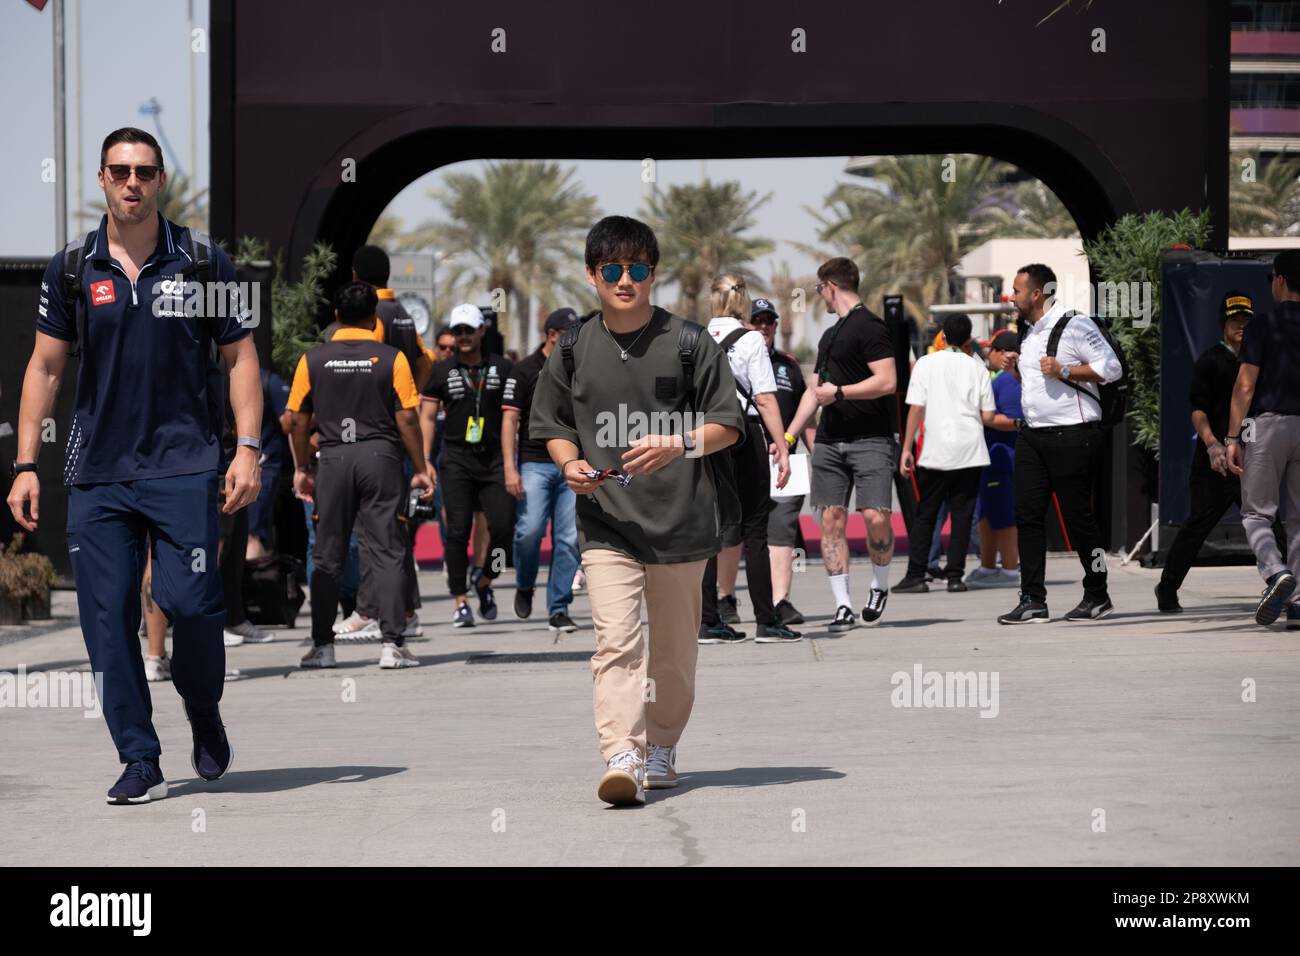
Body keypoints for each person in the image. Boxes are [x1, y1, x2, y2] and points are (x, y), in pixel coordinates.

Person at [8, 127, 257, 803]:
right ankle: (139, 757)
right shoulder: (72, 267)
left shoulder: (203, 262)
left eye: (144, 171)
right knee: (106, 618)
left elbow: (239, 358)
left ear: (161, 181)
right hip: (99, 473)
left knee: (192, 601)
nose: (131, 182)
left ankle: (202, 708)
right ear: (101, 179)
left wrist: (248, 448)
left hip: (185, 464)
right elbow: (45, 365)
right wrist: (27, 462)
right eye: (119, 171)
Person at [529, 215, 743, 806]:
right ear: (592, 275)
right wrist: (569, 462)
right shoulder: (571, 347)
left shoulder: (690, 342)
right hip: (607, 524)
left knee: (674, 653)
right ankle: (621, 752)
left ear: (653, 273)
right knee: (616, 641)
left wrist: (679, 442)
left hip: (680, 524)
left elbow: (729, 424)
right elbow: (551, 424)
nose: (627, 280)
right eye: (614, 270)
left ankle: (662, 746)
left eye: (639, 269)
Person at [287, 282, 433, 669]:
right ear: (374, 318)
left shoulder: (312, 360)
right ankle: (392, 645)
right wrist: (420, 467)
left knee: (327, 554)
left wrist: (302, 467)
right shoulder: (392, 358)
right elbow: (407, 417)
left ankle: (323, 647)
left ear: (336, 316)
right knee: (388, 550)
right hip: (380, 458)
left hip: (333, 460)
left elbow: (297, 420)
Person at [996, 264, 1122, 625]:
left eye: (1017, 290)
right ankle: (1032, 598)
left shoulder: (1075, 324)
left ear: (1036, 294)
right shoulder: (1029, 332)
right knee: (1028, 517)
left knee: (1079, 519)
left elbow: (1111, 368)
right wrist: (1014, 369)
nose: (1012, 297)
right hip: (1033, 436)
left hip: (1074, 436)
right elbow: (1041, 383)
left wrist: (1066, 370)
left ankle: (1098, 594)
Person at [785, 257, 897, 631]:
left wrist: (842, 393)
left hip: (872, 439)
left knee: (875, 516)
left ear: (830, 285)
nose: (821, 297)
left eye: (820, 289)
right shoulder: (829, 335)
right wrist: (788, 436)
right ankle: (843, 604)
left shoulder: (872, 327)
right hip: (831, 441)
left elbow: (887, 382)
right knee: (831, 519)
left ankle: (880, 586)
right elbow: (815, 392)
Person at [698, 276, 798, 644]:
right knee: (756, 529)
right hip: (745, 433)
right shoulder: (753, 339)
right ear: (742, 303)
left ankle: (708, 621)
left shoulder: (693, 339)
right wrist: (782, 446)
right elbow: (766, 399)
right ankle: (766, 620)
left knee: (710, 530)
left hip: (706, 435)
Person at [420, 303, 515, 627]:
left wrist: (511, 465)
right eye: (457, 331)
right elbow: (428, 417)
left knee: (503, 527)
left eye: (468, 331)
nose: (462, 337)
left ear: (481, 331)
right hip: (456, 458)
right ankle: (460, 600)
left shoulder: (503, 368)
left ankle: (486, 580)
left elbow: (511, 418)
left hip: (493, 459)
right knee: (458, 530)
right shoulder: (441, 371)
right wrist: (424, 461)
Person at [1156, 292, 1252, 613]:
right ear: (1223, 324)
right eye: (1235, 319)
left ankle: (1282, 586)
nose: (1241, 325)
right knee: (1197, 525)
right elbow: (1198, 411)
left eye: (1246, 320)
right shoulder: (1211, 362)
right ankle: (1167, 587)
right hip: (1215, 461)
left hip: (1250, 457)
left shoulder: (1256, 360)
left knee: (1264, 523)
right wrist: (1213, 445)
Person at [895, 313, 995, 592]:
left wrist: (906, 449)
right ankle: (954, 576)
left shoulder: (926, 364)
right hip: (971, 449)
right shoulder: (977, 368)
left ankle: (916, 574)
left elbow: (915, 407)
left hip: (936, 450)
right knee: (963, 515)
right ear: (968, 338)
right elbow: (988, 415)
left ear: (943, 335)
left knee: (926, 513)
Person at [1227, 254, 1300, 627]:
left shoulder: (1263, 326)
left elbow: (1245, 385)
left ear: (1281, 281)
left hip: (1269, 424)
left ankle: (1275, 573)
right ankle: (1299, 602)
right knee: (1298, 518)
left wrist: (1232, 436)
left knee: (1256, 512)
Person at [502, 307, 582, 634]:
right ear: (552, 335)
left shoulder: (581, 370)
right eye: (569, 336)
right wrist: (510, 468)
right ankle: (524, 583)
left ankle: (559, 607)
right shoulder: (523, 371)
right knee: (529, 531)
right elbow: (509, 420)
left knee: (569, 538)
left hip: (572, 464)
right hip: (534, 462)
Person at [746, 298, 816, 625]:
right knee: (733, 530)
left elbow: (807, 416)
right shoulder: (735, 360)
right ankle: (726, 598)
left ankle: (780, 601)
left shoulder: (788, 365)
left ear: (775, 325)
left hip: (786, 459)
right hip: (744, 456)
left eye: (768, 322)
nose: (763, 327)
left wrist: (819, 457)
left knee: (783, 528)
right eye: (756, 321)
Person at [966, 330, 1023, 588]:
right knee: (986, 514)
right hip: (988, 458)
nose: (988, 353)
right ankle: (988, 566)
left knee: (1003, 516)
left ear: (1002, 352)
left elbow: (1015, 421)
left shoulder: (1007, 384)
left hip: (1003, 460)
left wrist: (982, 417)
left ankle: (1010, 570)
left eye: (992, 349)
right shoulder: (997, 380)